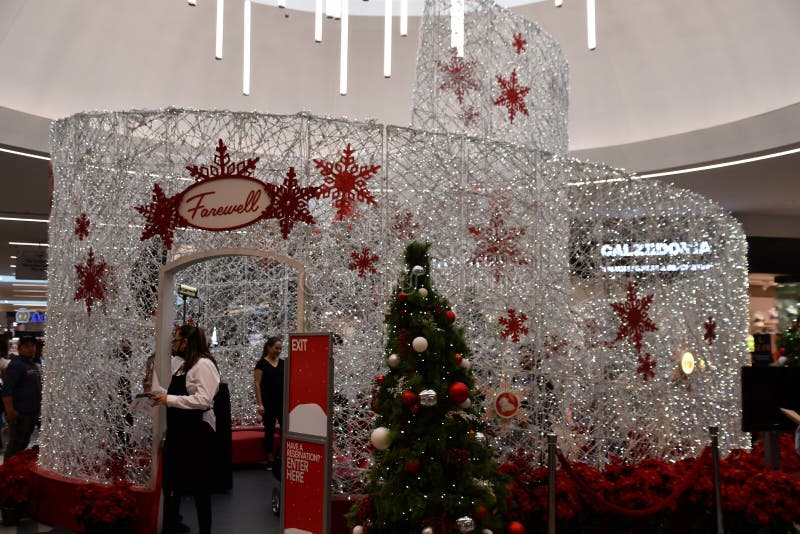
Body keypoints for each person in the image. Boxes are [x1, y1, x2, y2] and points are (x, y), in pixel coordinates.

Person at [151, 324, 220, 534]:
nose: (174, 344)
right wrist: (159, 394)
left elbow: (204, 400)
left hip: (196, 434)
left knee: (200, 488)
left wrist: (169, 398)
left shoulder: (203, 365)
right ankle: (171, 526)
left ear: (186, 342)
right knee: (172, 484)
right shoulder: (182, 365)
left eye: (176, 340)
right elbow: (180, 394)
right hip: (178, 432)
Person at [1, 334, 42, 459]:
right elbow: (7, 390)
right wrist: (10, 411)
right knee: (15, 445)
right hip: (20, 414)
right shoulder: (16, 365)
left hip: (32, 413)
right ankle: (6, 473)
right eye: (26, 346)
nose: (31, 349)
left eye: (33, 346)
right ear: (19, 349)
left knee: (23, 444)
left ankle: (15, 472)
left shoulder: (32, 365)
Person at [254, 336, 284, 464]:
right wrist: (260, 404)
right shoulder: (261, 364)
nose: (278, 351)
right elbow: (257, 384)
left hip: (282, 401)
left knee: (285, 430)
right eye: (276, 348)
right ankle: (269, 455)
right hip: (268, 402)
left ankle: (281, 454)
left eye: (280, 349)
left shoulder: (283, 363)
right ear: (269, 347)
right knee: (270, 430)